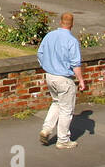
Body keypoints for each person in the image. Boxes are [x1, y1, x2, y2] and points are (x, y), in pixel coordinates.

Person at [36, 11, 86, 148]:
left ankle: (46, 129)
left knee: (56, 102)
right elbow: (75, 64)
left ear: (60, 22)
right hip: (64, 78)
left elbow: (40, 53)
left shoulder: (50, 36)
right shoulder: (71, 41)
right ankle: (63, 140)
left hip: (50, 76)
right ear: (72, 25)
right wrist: (81, 80)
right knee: (66, 110)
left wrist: (46, 65)